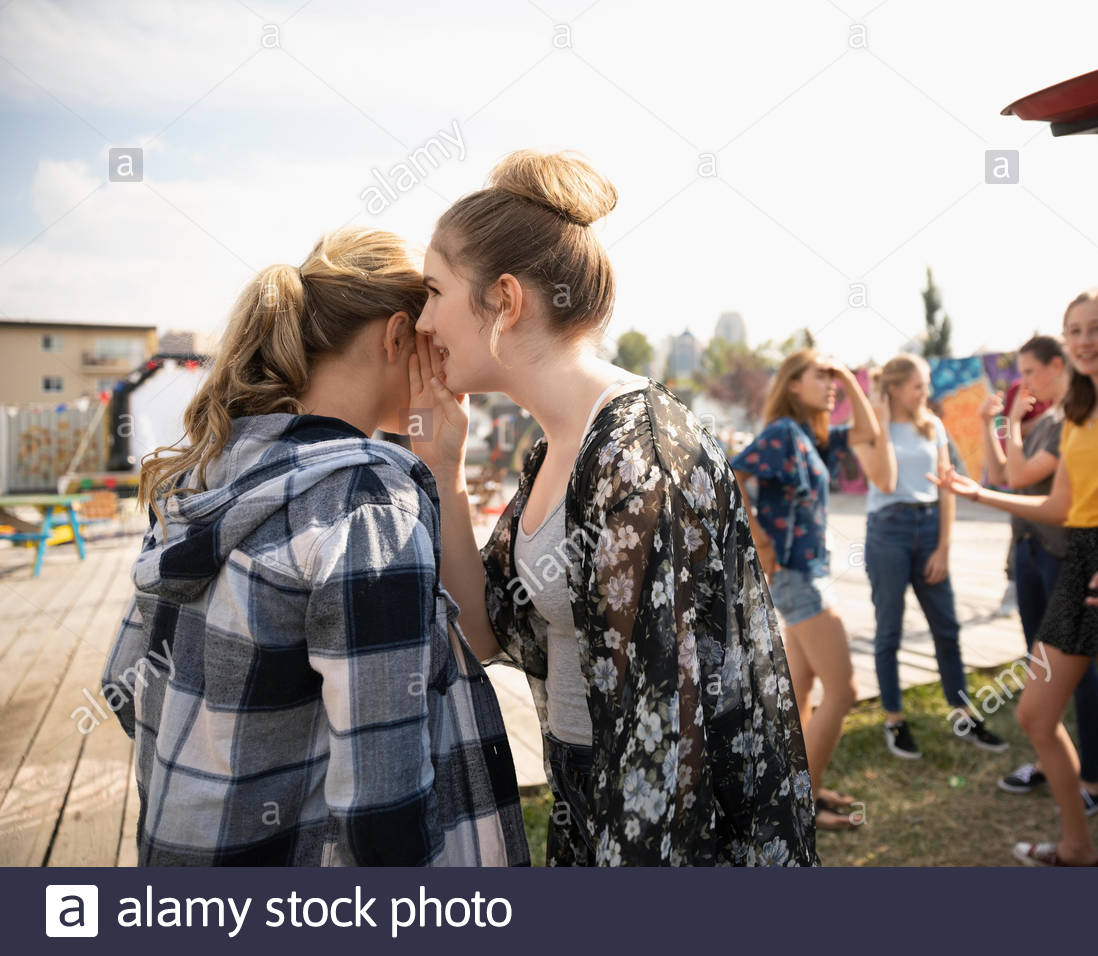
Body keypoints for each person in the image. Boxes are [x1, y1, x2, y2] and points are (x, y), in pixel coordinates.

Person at [408, 150, 817, 866]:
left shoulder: (637, 457)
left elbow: (665, 751)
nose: (423, 320)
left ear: (504, 302)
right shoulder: (559, 446)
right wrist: (445, 470)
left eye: (434, 292)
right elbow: (484, 632)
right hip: (590, 810)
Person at [103, 227, 528, 866]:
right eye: (434, 342)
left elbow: (124, 684)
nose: (446, 365)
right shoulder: (367, 508)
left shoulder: (202, 473)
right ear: (395, 337)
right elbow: (383, 819)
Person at [930, 286, 1098, 866]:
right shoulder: (1076, 417)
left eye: (1096, 328)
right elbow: (1060, 507)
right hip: (1080, 564)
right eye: (1074, 330)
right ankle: (1078, 848)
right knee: (1034, 714)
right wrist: (979, 493)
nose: (1084, 340)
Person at [731, 350, 892, 829]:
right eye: (820, 376)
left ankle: (799, 788)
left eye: (833, 378)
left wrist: (848, 378)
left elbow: (868, 433)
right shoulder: (782, 433)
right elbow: (732, 474)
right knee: (844, 692)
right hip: (797, 574)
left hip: (810, 572)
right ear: (793, 385)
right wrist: (760, 539)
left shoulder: (812, 438)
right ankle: (803, 807)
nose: (831, 384)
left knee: (801, 689)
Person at [979, 336, 1098, 815]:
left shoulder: (1069, 421)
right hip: (1028, 552)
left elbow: (1017, 479)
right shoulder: (1046, 421)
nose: (1024, 382)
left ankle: (1091, 781)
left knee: (1079, 668)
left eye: (1031, 371)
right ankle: (1049, 761)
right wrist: (990, 425)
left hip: (1062, 557)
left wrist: (1012, 422)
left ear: (1058, 365)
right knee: (1039, 664)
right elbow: (999, 473)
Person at [864, 354, 1008, 759]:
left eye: (925, 384)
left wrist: (944, 548)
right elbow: (883, 480)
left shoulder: (934, 426)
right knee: (889, 630)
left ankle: (963, 714)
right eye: (918, 386)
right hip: (887, 531)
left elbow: (946, 488)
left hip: (929, 529)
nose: (925, 393)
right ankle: (894, 720)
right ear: (894, 388)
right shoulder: (872, 427)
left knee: (947, 628)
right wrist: (881, 422)